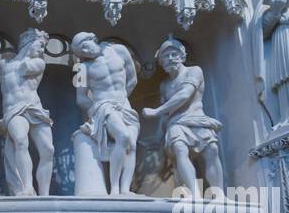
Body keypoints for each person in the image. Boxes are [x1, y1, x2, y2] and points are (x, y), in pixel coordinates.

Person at [142, 38, 222, 196]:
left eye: (174, 54)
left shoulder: (194, 71)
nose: (171, 58)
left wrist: (155, 111)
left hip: (197, 118)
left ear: (183, 57)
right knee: (179, 149)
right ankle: (195, 195)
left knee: (211, 149)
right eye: (166, 56)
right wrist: (158, 139)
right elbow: (166, 115)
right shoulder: (164, 85)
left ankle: (219, 195)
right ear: (161, 62)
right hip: (176, 123)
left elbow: (184, 95)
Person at [71, 32, 140, 195]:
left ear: (92, 39)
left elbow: (133, 79)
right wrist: (98, 108)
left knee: (132, 145)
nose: (85, 52)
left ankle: (125, 190)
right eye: (81, 52)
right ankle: (114, 188)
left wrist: (121, 99)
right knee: (122, 137)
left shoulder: (120, 50)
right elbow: (80, 98)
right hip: (103, 106)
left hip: (124, 105)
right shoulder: (81, 69)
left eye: (85, 47)